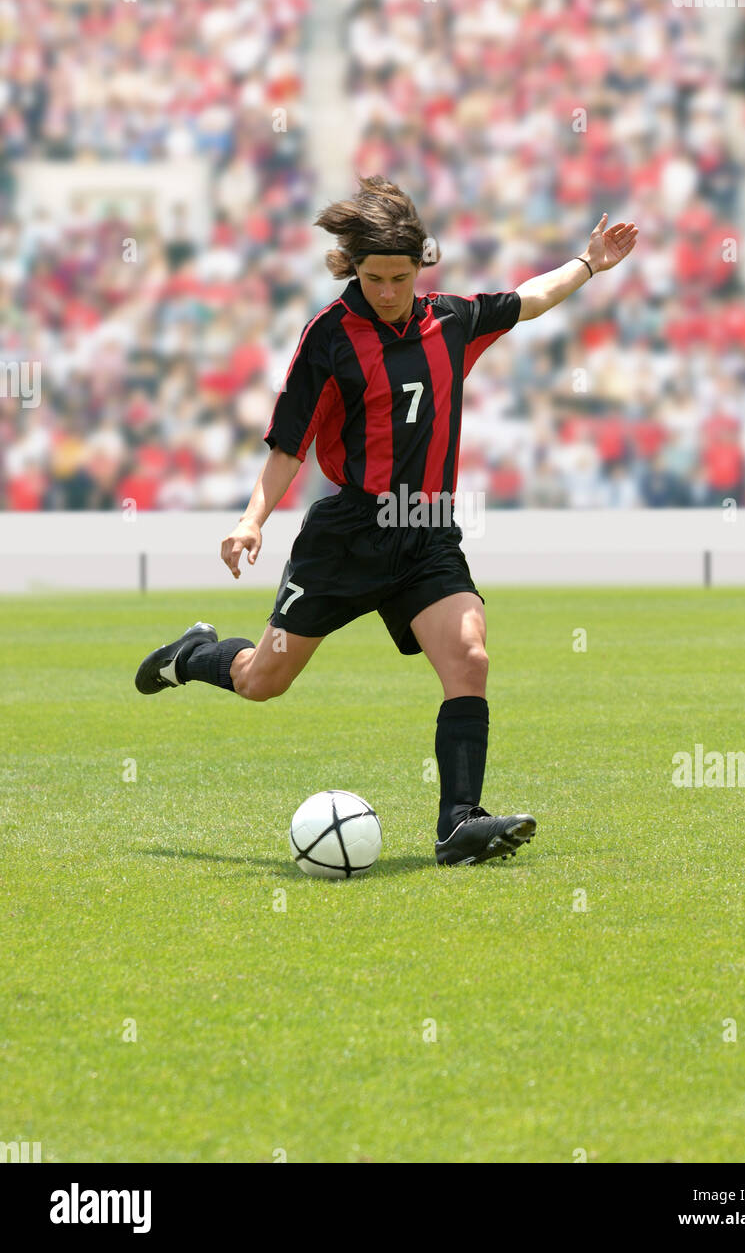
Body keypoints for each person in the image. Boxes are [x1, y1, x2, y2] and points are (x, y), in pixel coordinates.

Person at [135, 176, 638, 865]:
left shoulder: (451, 320)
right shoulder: (328, 336)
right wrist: (252, 519)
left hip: (427, 532)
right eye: (373, 277)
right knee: (262, 682)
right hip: (347, 538)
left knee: (469, 655)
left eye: (400, 276)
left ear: (419, 265)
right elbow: (290, 444)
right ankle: (190, 655)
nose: (388, 290)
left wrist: (588, 264)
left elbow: (532, 299)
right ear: (352, 268)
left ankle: (457, 825)